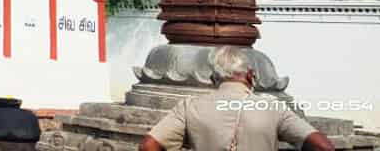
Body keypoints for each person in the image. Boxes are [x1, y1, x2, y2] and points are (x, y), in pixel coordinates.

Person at [140, 46, 336, 151]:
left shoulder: (190, 106)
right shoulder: (272, 107)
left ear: (212, 78)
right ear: (251, 75)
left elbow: (149, 145)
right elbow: (323, 147)